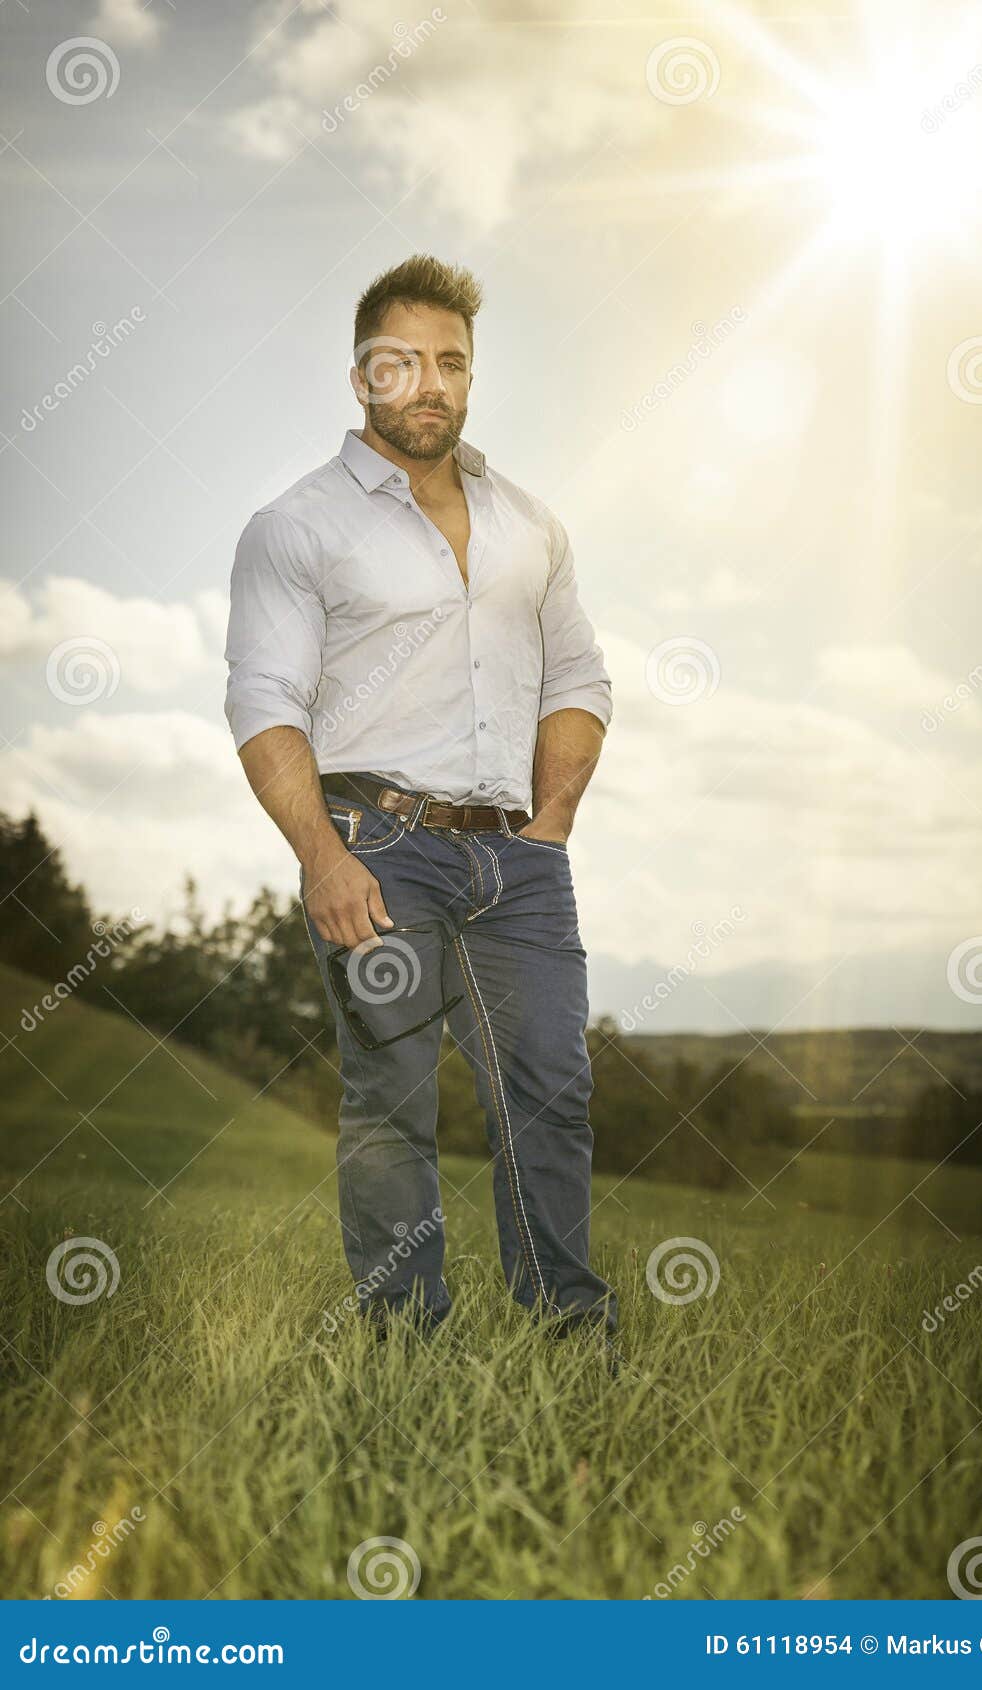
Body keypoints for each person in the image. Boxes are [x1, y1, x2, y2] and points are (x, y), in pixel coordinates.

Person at [224, 254, 617, 1345]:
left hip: (519, 862)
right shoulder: (295, 525)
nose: (430, 383)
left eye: (451, 362)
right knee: (390, 1102)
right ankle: (405, 1347)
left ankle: (567, 1340)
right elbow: (263, 700)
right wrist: (322, 855)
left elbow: (578, 679)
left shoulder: (529, 523)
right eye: (402, 362)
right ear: (361, 377)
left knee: (549, 1095)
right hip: (375, 846)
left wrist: (549, 826)